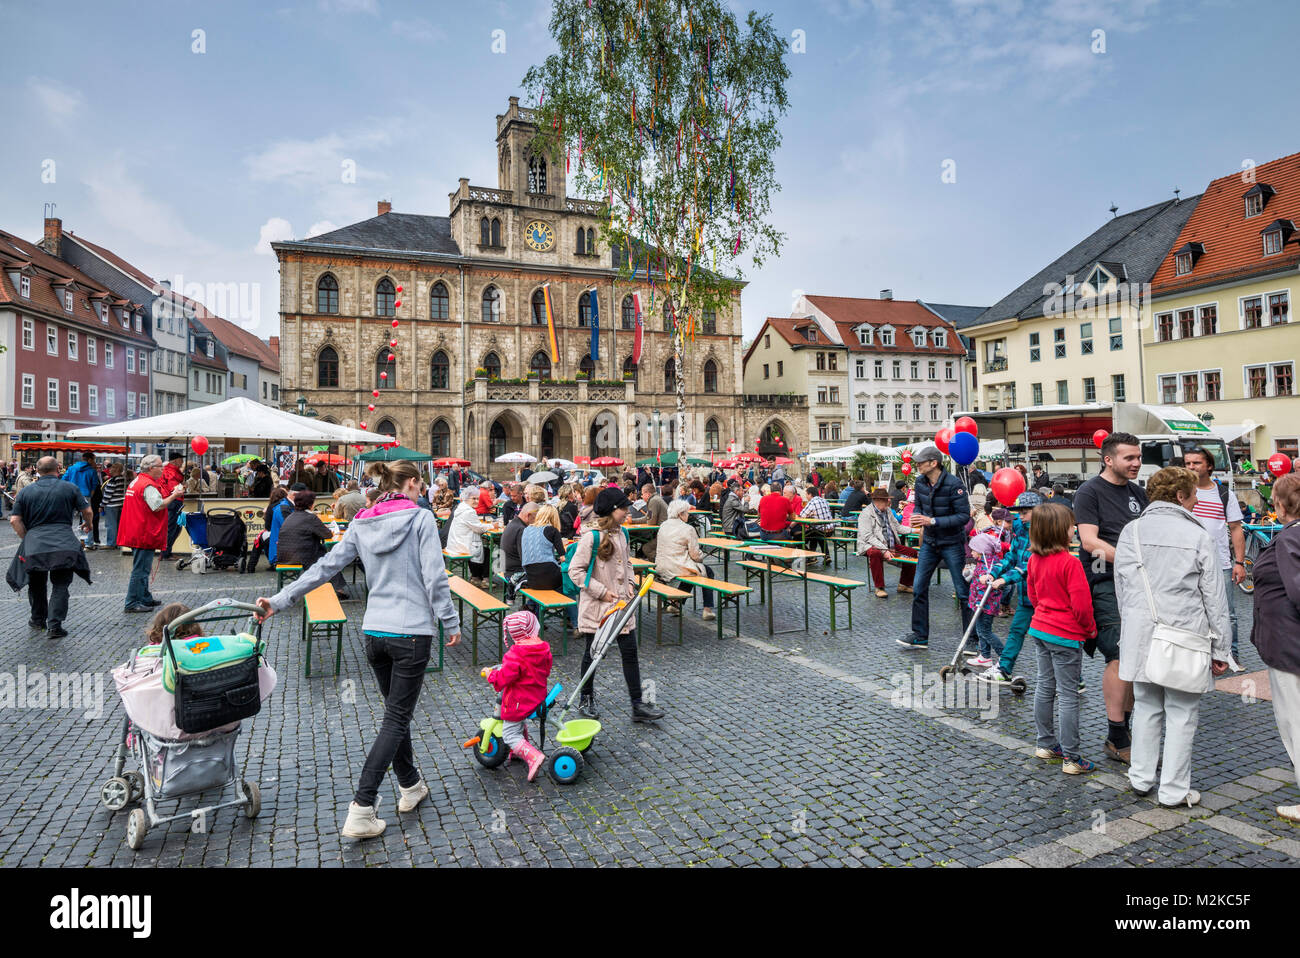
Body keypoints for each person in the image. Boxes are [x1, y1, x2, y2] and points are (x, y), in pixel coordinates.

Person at [256, 459, 461, 840]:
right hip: (412, 632)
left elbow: (324, 567)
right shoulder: (420, 520)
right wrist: (451, 621)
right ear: (414, 484)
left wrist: (280, 600)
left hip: (375, 633)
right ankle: (362, 807)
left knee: (395, 715)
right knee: (396, 719)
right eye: (420, 485)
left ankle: (410, 784)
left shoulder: (362, 521)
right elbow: (435, 577)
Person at [1114, 466, 1231, 808]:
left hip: (1140, 635)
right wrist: (1221, 646)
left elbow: (1123, 590)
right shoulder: (1197, 536)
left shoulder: (1130, 531)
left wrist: (1131, 628)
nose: (1197, 501)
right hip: (1184, 633)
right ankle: (1174, 790)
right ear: (1180, 496)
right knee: (1181, 713)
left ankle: (1140, 777)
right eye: (1193, 494)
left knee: (1148, 706)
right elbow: (1215, 597)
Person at [1073, 430, 1147, 764]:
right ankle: (1117, 735)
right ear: (1109, 459)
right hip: (1104, 580)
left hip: (1139, 582)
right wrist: (1134, 559)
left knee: (1137, 654)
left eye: (1138, 457)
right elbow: (1089, 541)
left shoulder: (1139, 493)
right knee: (1118, 652)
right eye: (1129, 458)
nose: (1136, 463)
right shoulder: (1089, 492)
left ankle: (1126, 730)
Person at [567, 487, 665, 724]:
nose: (627, 512)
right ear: (612, 511)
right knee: (592, 654)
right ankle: (586, 699)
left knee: (630, 653)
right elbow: (575, 571)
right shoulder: (592, 537)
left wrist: (631, 582)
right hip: (599, 608)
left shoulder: (622, 534)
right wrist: (602, 592)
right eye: (624, 509)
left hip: (622, 606)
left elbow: (628, 563)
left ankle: (637, 704)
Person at [1027, 502, 1098, 775]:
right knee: (1068, 695)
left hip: (1040, 629)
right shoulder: (1071, 563)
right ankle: (1072, 758)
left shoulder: (1034, 559)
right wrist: (1090, 629)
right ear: (1061, 531)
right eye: (1071, 525)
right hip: (1065, 635)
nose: (1075, 528)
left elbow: (1033, 595)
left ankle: (1045, 743)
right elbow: (1082, 605)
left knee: (1044, 686)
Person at [1249, 474, 1300, 823]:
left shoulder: (1290, 538)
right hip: (1288, 642)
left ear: (1280, 505)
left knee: (1295, 720)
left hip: (1290, 644)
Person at [5, 457, 93, 639]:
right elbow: (88, 511)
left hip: (36, 545)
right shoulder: (70, 488)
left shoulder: (26, 492)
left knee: (37, 584)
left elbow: (14, 520)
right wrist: (88, 524)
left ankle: (38, 620)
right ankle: (55, 626)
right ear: (58, 469)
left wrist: (27, 537)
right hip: (64, 545)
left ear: (37, 470)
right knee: (61, 585)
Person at [898, 446, 973, 649]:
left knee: (963, 591)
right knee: (919, 587)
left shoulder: (954, 484)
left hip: (951, 543)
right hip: (930, 543)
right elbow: (920, 507)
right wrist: (918, 517)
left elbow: (963, 517)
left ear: (934, 463)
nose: (917, 464)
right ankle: (920, 635)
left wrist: (932, 521)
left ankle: (972, 638)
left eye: (921, 461)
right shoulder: (920, 482)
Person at [1183, 446, 1246, 661]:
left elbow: (1236, 528)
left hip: (1220, 562)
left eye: (1196, 463)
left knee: (1227, 613)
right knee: (1193, 611)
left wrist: (1239, 562)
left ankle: (1230, 655)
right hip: (1188, 563)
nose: (1191, 467)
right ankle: (1201, 655)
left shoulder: (1224, 494)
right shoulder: (1181, 493)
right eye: (1188, 463)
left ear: (1209, 466)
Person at [979, 491, 1041, 686]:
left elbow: (1029, 564)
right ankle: (1004, 669)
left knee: (1050, 641)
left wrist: (1005, 579)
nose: (1020, 516)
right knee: (1016, 631)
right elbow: (1012, 557)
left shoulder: (1044, 531)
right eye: (1019, 512)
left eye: (1024, 512)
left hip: (1043, 595)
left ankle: (1073, 680)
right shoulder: (1020, 528)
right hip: (1026, 595)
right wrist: (994, 572)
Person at [483, 609, 553, 781]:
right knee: (518, 721)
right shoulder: (543, 649)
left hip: (519, 701)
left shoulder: (515, 654)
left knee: (509, 734)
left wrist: (491, 674)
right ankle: (517, 750)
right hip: (537, 696)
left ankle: (533, 756)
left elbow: (503, 678)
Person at [118, 455, 184, 613]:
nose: (162, 469)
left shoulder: (138, 481)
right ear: (151, 468)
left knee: (142, 567)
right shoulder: (147, 485)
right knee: (141, 569)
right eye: (160, 466)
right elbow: (158, 505)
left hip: (136, 529)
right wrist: (174, 495)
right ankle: (132, 602)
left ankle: (145, 597)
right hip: (143, 532)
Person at [276, 490, 349, 599]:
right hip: (301, 556)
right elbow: (327, 535)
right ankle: (339, 589)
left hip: (283, 555)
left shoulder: (292, 516)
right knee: (329, 559)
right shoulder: (310, 517)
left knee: (322, 551)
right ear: (310, 504)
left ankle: (333, 586)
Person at [654, 499, 718, 622]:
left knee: (694, 572)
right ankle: (707, 609)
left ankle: (677, 604)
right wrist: (702, 555)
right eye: (687, 512)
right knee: (706, 572)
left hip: (662, 564)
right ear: (680, 514)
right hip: (677, 566)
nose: (688, 515)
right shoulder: (688, 529)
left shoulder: (663, 525)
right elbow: (695, 555)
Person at [857, 487, 916, 598]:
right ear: (878, 500)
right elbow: (867, 536)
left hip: (889, 544)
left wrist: (915, 530)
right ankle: (879, 587)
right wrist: (884, 550)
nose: (889, 501)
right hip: (869, 545)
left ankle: (904, 584)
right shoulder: (866, 514)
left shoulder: (888, 511)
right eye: (886, 500)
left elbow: (898, 527)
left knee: (912, 552)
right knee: (876, 553)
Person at [965, 531, 1005, 668]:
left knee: (984, 631)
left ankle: (1004, 655)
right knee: (980, 629)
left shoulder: (988, 565)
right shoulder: (984, 562)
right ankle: (985, 656)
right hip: (981, 604)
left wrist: (978, 603)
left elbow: (984, 587)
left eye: (973, 550)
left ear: (982, 551)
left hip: (985, 605)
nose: (971, 553)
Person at [447, 486, 495, 587]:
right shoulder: (469, 511)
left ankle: (476, 577)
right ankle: (485, 580)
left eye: (477, 498)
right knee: (487, 551)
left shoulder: (461, 507)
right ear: (466, 498)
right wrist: (492, 525)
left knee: (480, 548)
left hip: (455, 543)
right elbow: (479, 528)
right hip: (462, 545)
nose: (476, 501)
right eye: (473, 498)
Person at [64, 452, 100, 549]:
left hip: (71, 494)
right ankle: (89, 543)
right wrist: (90, 495)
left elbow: (64, 480)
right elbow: (94, 485)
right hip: (85, 495)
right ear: (89, 460)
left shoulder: (71, 468)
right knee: (88, 519)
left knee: (67, 519)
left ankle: (68, 542)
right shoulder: (92, 471)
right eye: (94, 459)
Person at [267, 483, 305, 568]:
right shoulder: (284, 508)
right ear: (295, 495)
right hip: (282, 554)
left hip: (285, 549)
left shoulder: (287, 505)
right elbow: (292, 530)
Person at [798, 484, 836, 563]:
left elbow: (802, 515)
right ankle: (826, 556)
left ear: (810, 494)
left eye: (806, 495)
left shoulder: (812, 502)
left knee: (798, 537)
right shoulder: (824, 500)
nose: (806, 496)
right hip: (831, 529)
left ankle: (811, 556)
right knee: (816, 533)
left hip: (821, 530)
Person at [501, 500, 537, 584]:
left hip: (508, 569)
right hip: (515, 573)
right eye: (535, 518)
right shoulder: (522, 529)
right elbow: (526, 558)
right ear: (529, 515)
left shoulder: (513, 523)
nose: (536, 522)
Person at [160, 454, 186, 559]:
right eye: (181, 460)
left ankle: (167, 552)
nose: (182, 462)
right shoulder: (171, 472)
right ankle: (166, 553)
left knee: (175, 528)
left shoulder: (171, 471)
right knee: (172, 528)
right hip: (173, 502)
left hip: (172, 501)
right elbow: (174, 489)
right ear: (175, 461)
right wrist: (183, 487)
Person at [101, 462, 126, 548]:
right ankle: (118, 543)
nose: (109, 470)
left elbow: (108, 495)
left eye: (111, 468)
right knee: (118, 525)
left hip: (111, 505)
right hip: (120, 504)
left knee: (111, 525)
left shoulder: (113, 480)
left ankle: (111, 543)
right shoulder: (123, 479)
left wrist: (101, 505)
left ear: (116, 470)